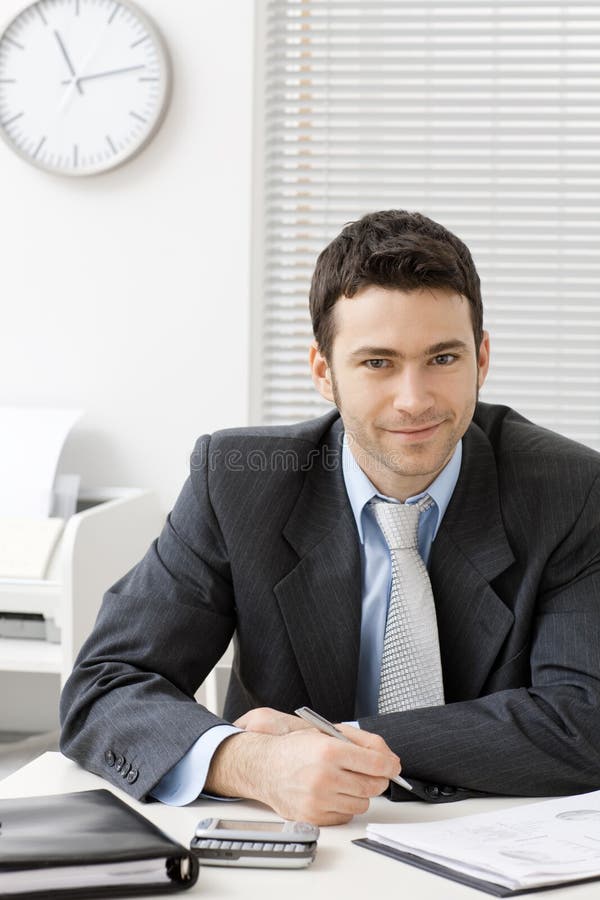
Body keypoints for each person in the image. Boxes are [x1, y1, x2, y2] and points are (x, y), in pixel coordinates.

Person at [60, 210, 600, 826]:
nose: (414, 398)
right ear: (324, 372)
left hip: (488, 839)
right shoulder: (237, 481)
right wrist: (251, 763)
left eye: (443, 358)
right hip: (298, 848)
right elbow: (105, 685)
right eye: (378, 363)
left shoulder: (571, 488)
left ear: (481, 357)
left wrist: (341, 745)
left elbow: (585, 716)